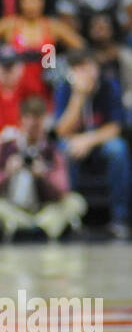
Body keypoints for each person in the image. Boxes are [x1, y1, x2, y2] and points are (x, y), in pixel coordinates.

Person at [53, 49, 132, 239]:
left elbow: (114, 128)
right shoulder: (64, 88)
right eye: (77, 68)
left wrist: (87, 140)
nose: (83, 73)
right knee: (63, 151)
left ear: (96, 68)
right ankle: (70, 219)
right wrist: (78, 96)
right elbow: (62, 131)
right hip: (75, 143)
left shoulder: (109, 86)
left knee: (118, 149)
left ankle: (120, 218)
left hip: (100, 141)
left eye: (87, 66)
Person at [0, 94, 86, 241]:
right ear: (21, 120)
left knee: (75, 202)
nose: (33, 123)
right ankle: (24, 227)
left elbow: (63, 189)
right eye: (29, 118)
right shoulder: (7, 148)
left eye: (38, 118)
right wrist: (8, 172)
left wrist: (44, 175)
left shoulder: (53, 151)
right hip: (13, 208)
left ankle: (35, 228)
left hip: (44, 210)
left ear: (44, 121)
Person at [0, 0, 85, 104]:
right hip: (14, 92)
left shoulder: (53, 26)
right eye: (27, 0)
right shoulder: (10, 25)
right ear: (20, 2)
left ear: (42, 1)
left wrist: (63, 64)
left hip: (46, 90)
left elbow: (81, 47)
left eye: (35, 0)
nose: (31, 5)